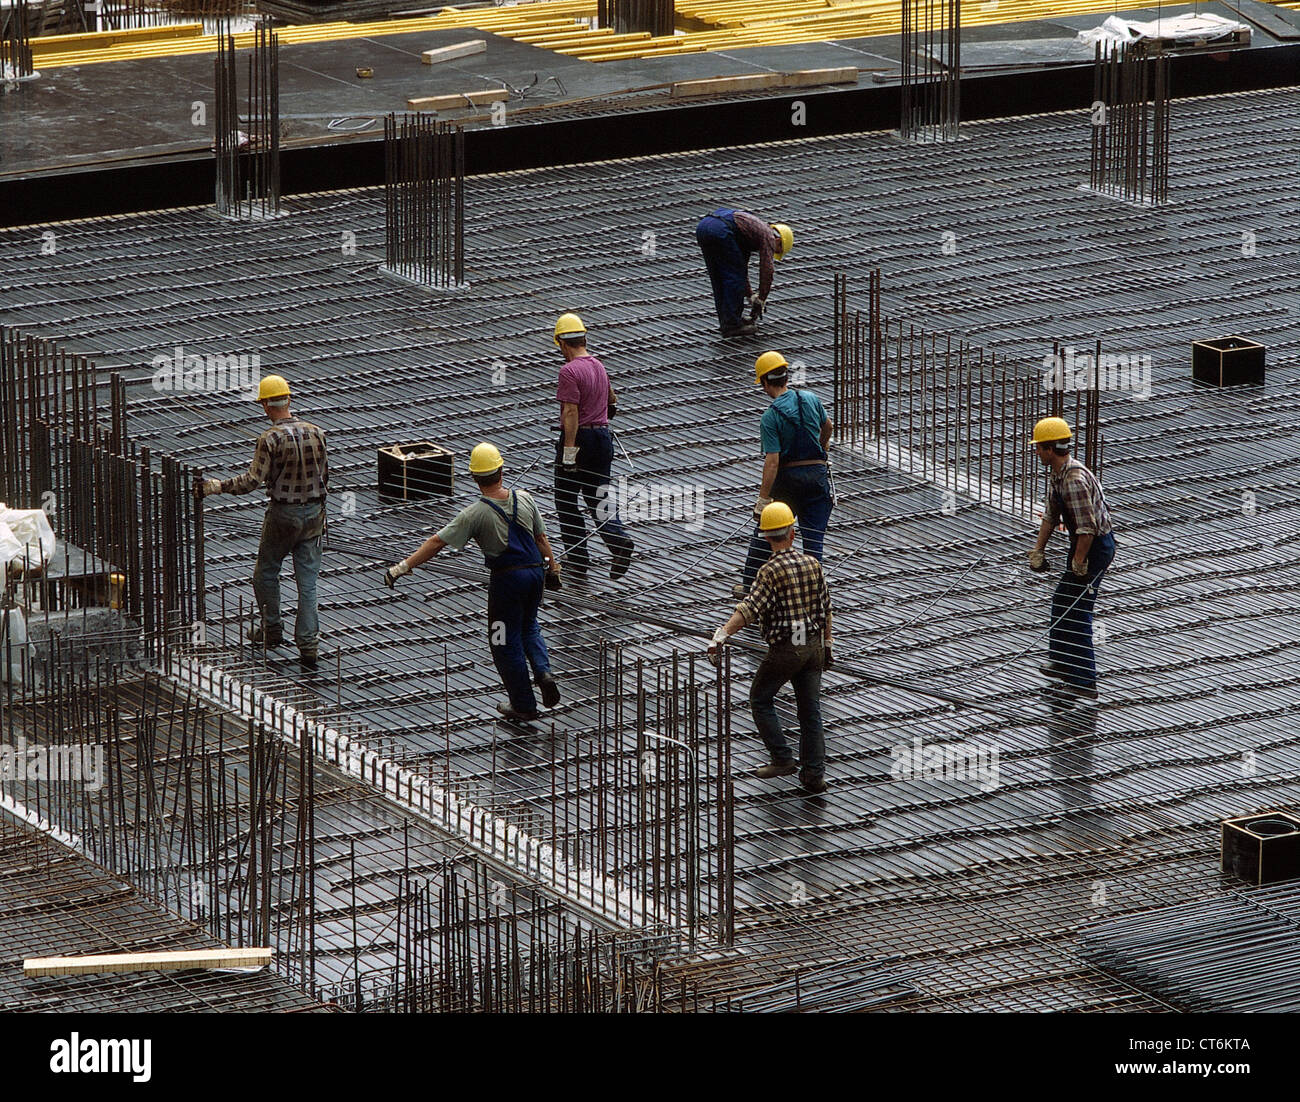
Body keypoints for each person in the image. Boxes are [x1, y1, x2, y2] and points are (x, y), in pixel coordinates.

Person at [384, 442, 562, 722]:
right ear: (501, 470)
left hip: (508, 582)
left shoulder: (475, 513)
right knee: (529, 625)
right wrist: (554, 568)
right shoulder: (525, 498)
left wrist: (403, 566)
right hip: (535, 574)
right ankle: (543, 671)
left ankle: (524, 704)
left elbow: (436, 542)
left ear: (475, 478)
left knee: (503, 639)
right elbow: (541, 539)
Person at [199, 374, 328, 672]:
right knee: (307, 582)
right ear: (289, 399)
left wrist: (217, 487)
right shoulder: (317, 432)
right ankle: (308, 644)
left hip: (283, 515)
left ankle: (271, 631)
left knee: (266, 572)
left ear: (267, 406)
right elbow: (325, 478)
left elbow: (252, 481)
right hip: (314, 514)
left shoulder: (269, 438)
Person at [710, 502, 833, 794]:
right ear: (792, 532)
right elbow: (826, 608)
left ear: (767, 537)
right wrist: (828, 644)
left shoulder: (768, 570)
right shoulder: (812, 563)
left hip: (787, 648)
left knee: (760, 698)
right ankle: (814, 775)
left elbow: (750, 609)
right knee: (810, 710)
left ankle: (782, 758)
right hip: (812, 643)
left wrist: (721, 635)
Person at [1027, 417, 1116, 701]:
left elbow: (1088, 528)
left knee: (1077, 612)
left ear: (1050, 448)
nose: (1036, 453)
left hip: (1094, 548)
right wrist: (1038, 550)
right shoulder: (1059, 473)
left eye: (1039, 448)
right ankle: (1061, 662)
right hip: (1081, 544)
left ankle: (1084, 681)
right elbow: (1052, 515)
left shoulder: (1075, 480)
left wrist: (1079, 564)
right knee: (1062, 601)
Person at [737, 351, 834, 597]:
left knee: (767, 531)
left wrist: (762, 501)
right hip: (817, 478)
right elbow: (828, 426)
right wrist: (821, 452)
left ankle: (750, 587)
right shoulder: (811, 398)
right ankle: (815, 593)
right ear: (786, 376)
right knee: (814, 540)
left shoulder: (770, 417)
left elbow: (772, 462)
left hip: (788, 484)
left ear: (766, 383)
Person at [552, 313, 633, 580]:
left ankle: (577, 560)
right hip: (603, 439)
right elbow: (612, 401)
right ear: (583, 338)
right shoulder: (598, 365)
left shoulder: (569, 371)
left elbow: (571, 413)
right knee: (599, 497)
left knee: (566, 500)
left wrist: (569, 451)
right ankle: (618, 541)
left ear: (563, 344)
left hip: (581, 439)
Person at [694, 209, 793, 337]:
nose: (773, 252)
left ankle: (726, 321)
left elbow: (742, 268)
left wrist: (750, 295)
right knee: (733, 278)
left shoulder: (749, 232)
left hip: (703, 227)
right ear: (779, 241)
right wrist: (762, 298)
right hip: (720, 230)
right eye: (777, 251)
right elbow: (767, 270)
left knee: (719, 278)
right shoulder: (768, 236)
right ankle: (732, 325)